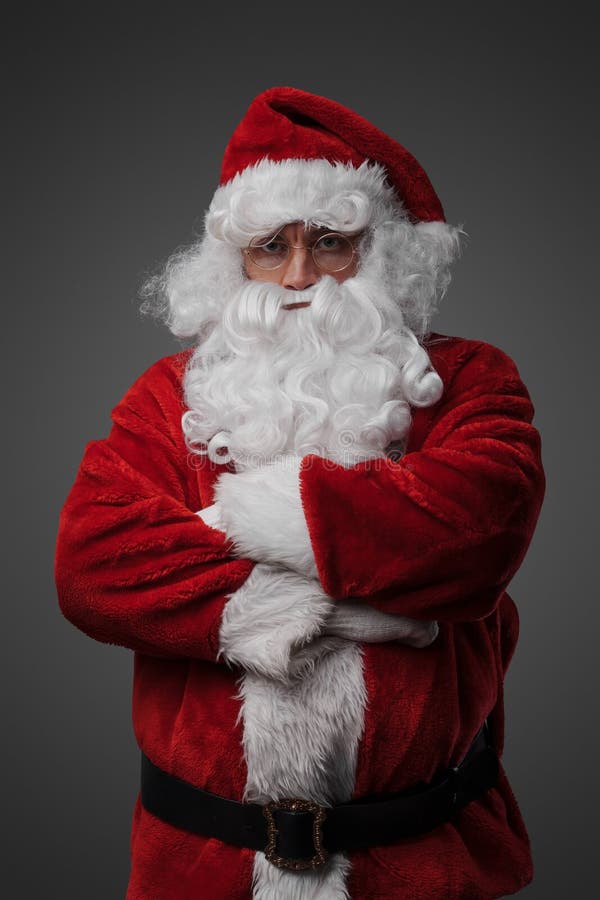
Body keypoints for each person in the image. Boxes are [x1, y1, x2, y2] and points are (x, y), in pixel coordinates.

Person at [55, 86, 546, 899]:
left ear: (378, 250)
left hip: (422, 863)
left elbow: (477, 532)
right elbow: (93, 563)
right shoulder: (166, 396)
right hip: (201, 868)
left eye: (330, 243)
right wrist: (334, 607)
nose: (297, 276)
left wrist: (242, 518)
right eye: (268, 247)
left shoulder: (470, 380)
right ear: (233, 262)